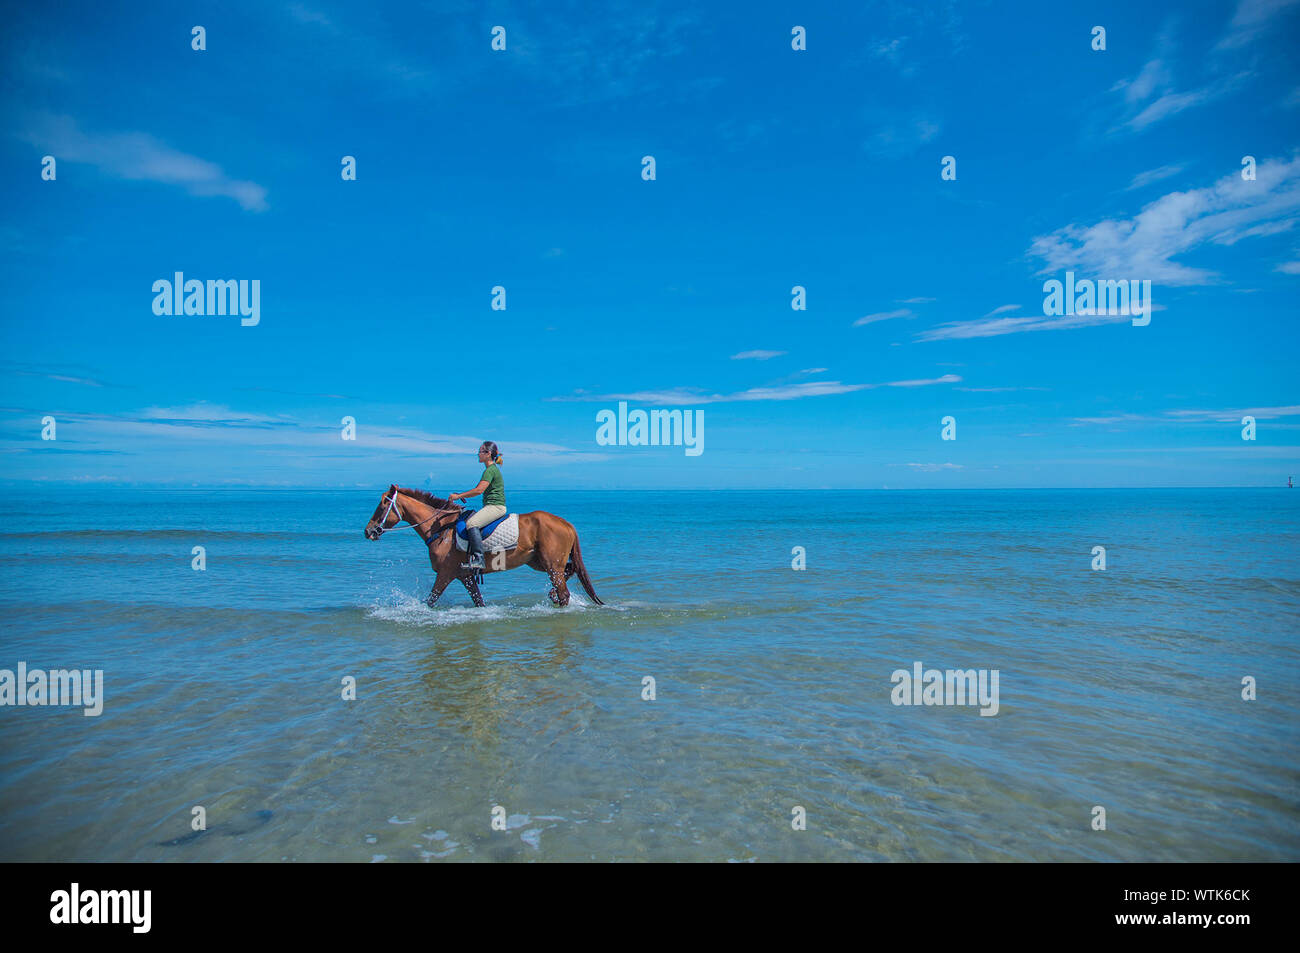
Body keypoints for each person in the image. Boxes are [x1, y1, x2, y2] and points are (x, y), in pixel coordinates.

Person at [448, 441, 506, 569]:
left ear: (488, 453)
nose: (478, 454)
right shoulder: (490, 470)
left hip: (495, 507)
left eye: (480, 451)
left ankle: (479, 559)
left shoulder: (490, 471)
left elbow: (479, 490)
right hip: (491, 506)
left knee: (471, 524)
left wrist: (458, 496)